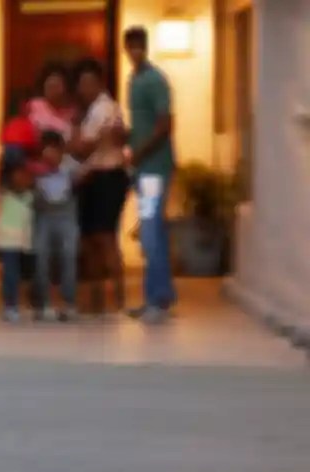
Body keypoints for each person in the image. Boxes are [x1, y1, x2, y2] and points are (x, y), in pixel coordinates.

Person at [124, 25, 177, 324]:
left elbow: (165, 125)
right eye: (130, 46)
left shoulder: (156, 80)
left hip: (154, 169)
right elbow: (141, 125)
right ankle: (159, 295)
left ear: (145, 46)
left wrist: (139, 152)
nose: (135, 51)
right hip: (143, 169)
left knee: (151, 232)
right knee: (151, 232)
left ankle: (156, 300)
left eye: (138, 45)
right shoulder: (134, 79)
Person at [70, 58, 130, 315]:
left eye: (88, 82)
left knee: (104, 238)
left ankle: (118, 298)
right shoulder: (97, 109)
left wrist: (71, 136)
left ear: (99, 83)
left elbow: (83, 150)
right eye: (81, 83)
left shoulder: (102, 109)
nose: (84, 87)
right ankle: (97, 300)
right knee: (90, 240)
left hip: (107, 178)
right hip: (96, 179)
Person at [33, 130, 83, 321]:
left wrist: (68, 175)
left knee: (68, 255)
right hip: (45, 213)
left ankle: (69, 303)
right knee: (42, 255)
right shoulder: (37, 166)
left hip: (66, 212)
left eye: (54, 150)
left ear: (61, 150)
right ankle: (44, 303)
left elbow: (82, 175)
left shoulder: (70, 164)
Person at [0, 153, 34, 323]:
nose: (22, 177)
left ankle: (15, 304)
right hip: (7, 241)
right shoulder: (5, 194)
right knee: (10, 273)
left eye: (24, 174)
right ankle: (10, 305)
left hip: (24, 241)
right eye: (17, 174)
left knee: (19, 274)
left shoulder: (31, 196)